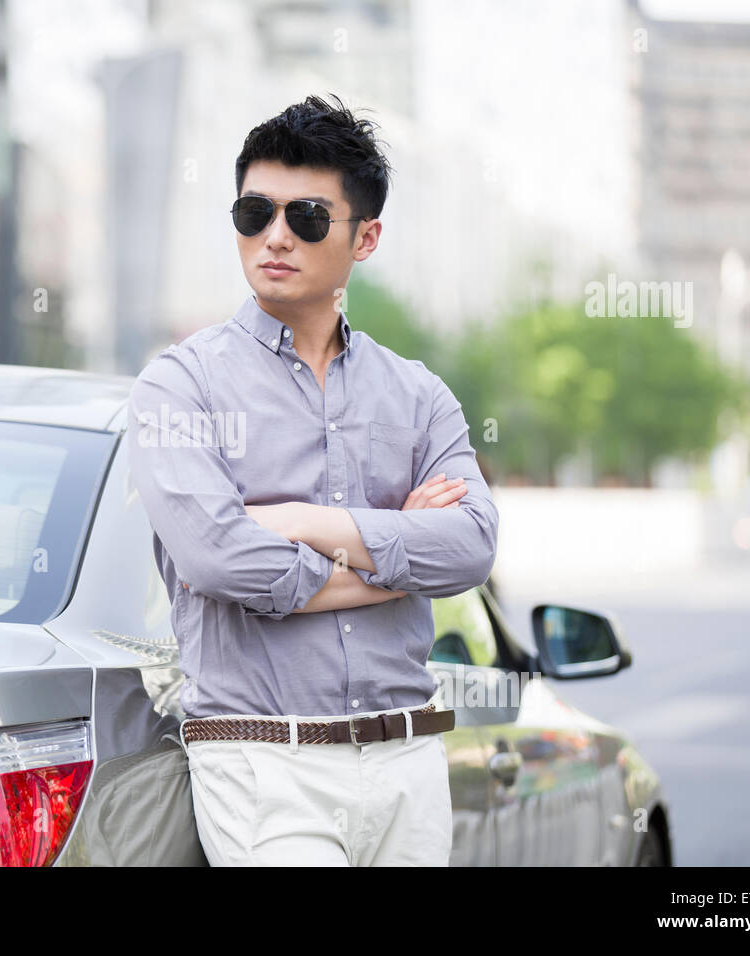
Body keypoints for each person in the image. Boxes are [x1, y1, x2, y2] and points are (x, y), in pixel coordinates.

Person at [125, 93, 499, 866]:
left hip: (408, 762)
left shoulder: (419, 394)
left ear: (366, 237)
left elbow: (469, 547)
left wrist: (297, 519)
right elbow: (218, 560)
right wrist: (396, 562)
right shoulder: (178, 386)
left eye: (306, 217)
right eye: (254, 212)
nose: (274, 236)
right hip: (264, 765)